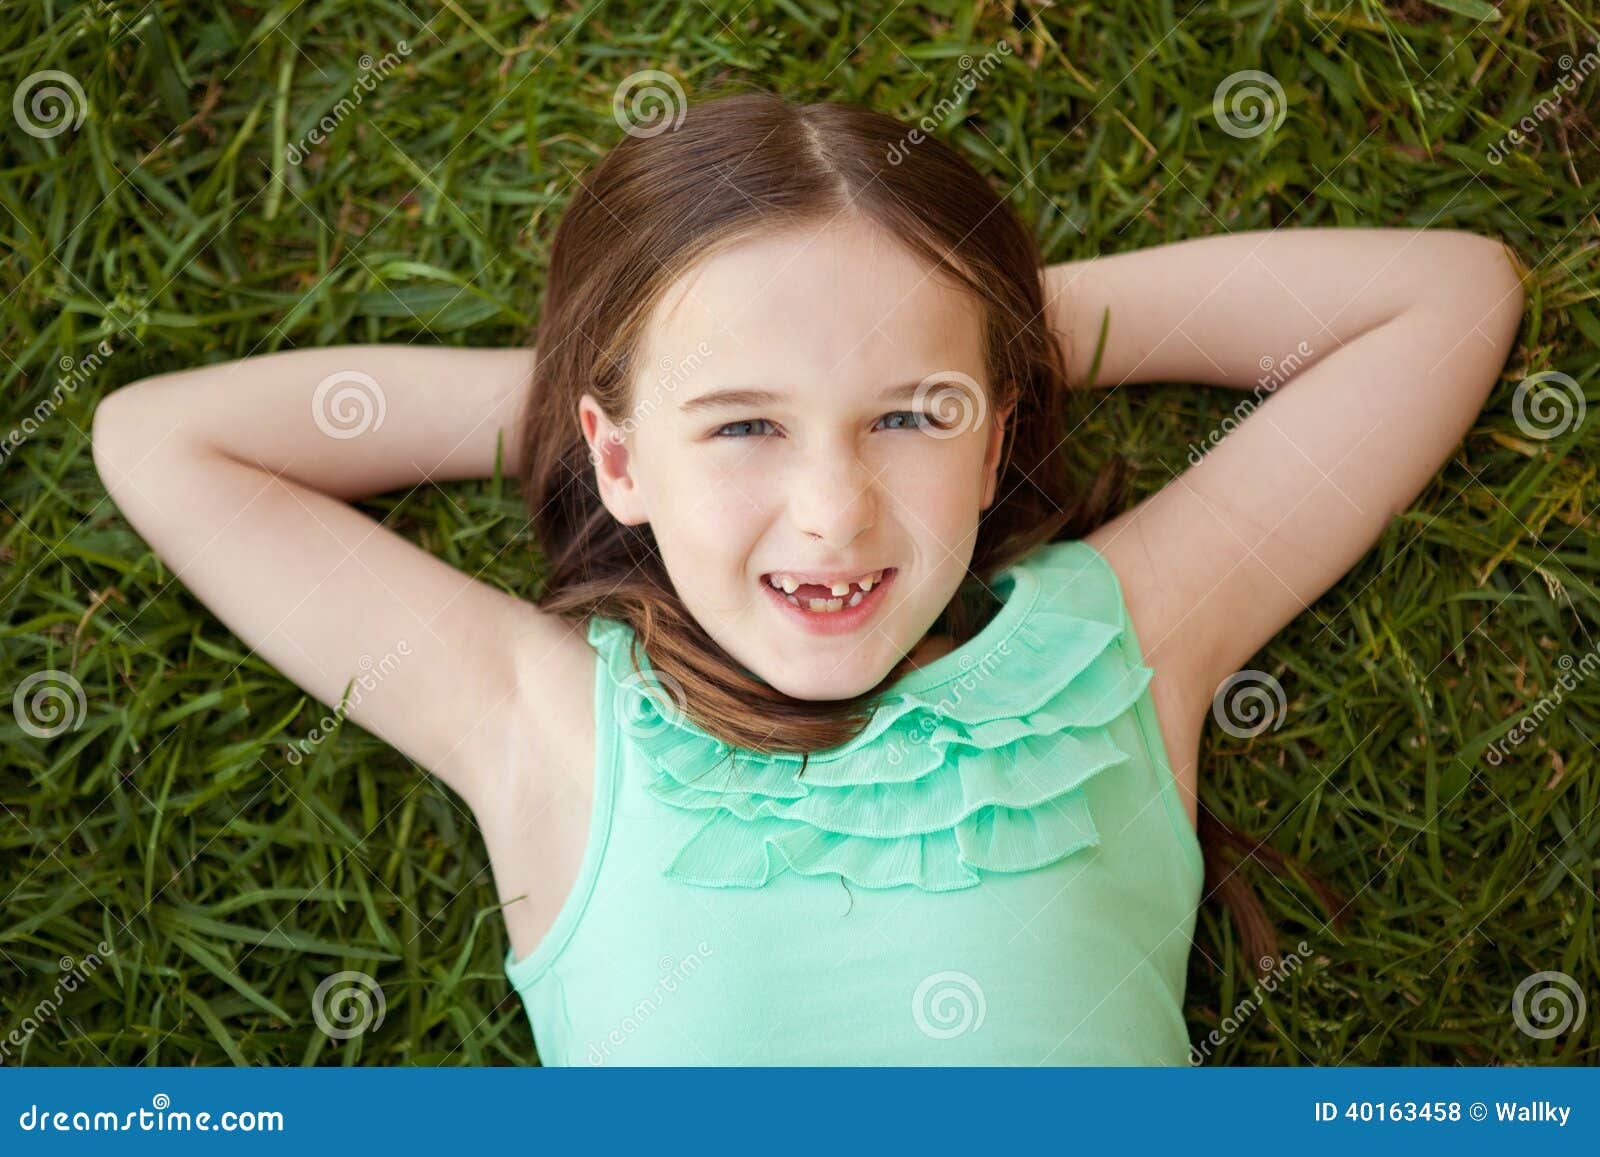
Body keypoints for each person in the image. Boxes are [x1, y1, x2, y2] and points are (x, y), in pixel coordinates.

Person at [91, 89, 1526, 1065]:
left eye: (910, 416)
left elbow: (1447, 295)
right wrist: (640, 385)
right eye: (743, 429)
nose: (835, 511)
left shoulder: (1119, 647)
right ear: (617, 459)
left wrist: (965, 319)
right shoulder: (548, 724)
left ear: (994, 442)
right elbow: (162, 442)